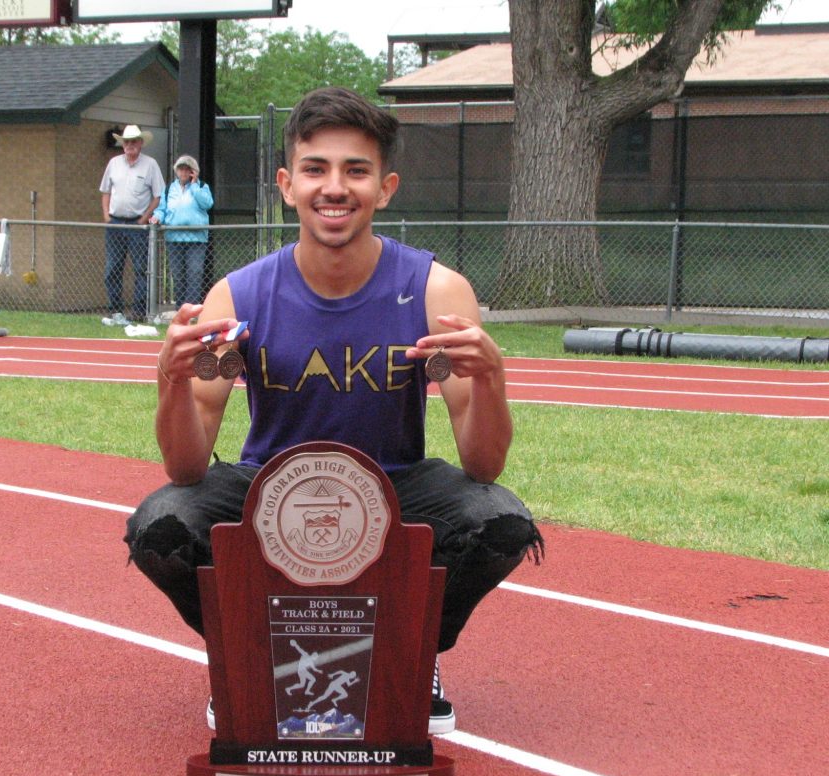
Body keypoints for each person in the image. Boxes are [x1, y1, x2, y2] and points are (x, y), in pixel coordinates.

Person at [125, 87, 542, 735]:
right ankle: (247, 657)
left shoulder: (437, 290)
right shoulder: (236, 295)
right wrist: (170, 382)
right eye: (317, 169)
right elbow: (185, 467)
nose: (335, 187)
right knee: (160, 525)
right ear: (288, 185)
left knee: (500, 520)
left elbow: (482, 462)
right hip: (269, 484)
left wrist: (491, 379)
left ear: (386, 186)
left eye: (356, 170)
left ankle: (412, 653)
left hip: (395, 483)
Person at [99, 124, 165, 324]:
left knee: (141, 268)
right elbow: (105, 192)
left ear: (141, 143)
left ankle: (138, 311)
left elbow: (158, 196)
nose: (130, 145)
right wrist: (107, 217)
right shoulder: (114, 163)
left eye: (134, 141)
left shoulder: (150, 164)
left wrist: (143, 219)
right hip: (116, 223)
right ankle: (115, 310)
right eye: (126, 142)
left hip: (138, 225)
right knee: (113, 268)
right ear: (122, 144)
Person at [150, 154, 214, 306]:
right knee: (178, 275)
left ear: (193, 171)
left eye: (188, 170)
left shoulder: (202, 186)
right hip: (174, 238)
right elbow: (162, 209)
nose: (184, 173)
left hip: (196, 238)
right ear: (176, 171)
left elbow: (207, 204)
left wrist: (194, 185)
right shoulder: (169, 189)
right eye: (181, 169)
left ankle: (191, 308)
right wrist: (156, 217)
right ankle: (180, 307)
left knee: (194, 273)